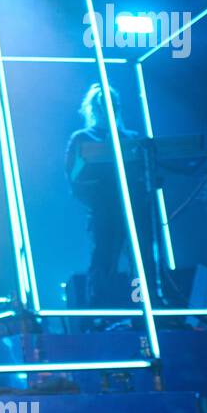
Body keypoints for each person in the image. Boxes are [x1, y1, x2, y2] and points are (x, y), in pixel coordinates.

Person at [65, 83, 156, 308]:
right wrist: (97, 200)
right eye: (102, 104)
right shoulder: (82, 138)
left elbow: (149, 172)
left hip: (136, 208)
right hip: (104, 210)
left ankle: (145, 305)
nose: (108, 108)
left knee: (143, 259)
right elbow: (73, 179)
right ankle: (99, 310)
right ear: (93, 108)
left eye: (112, 104)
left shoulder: (132, 138)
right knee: (104, 258)